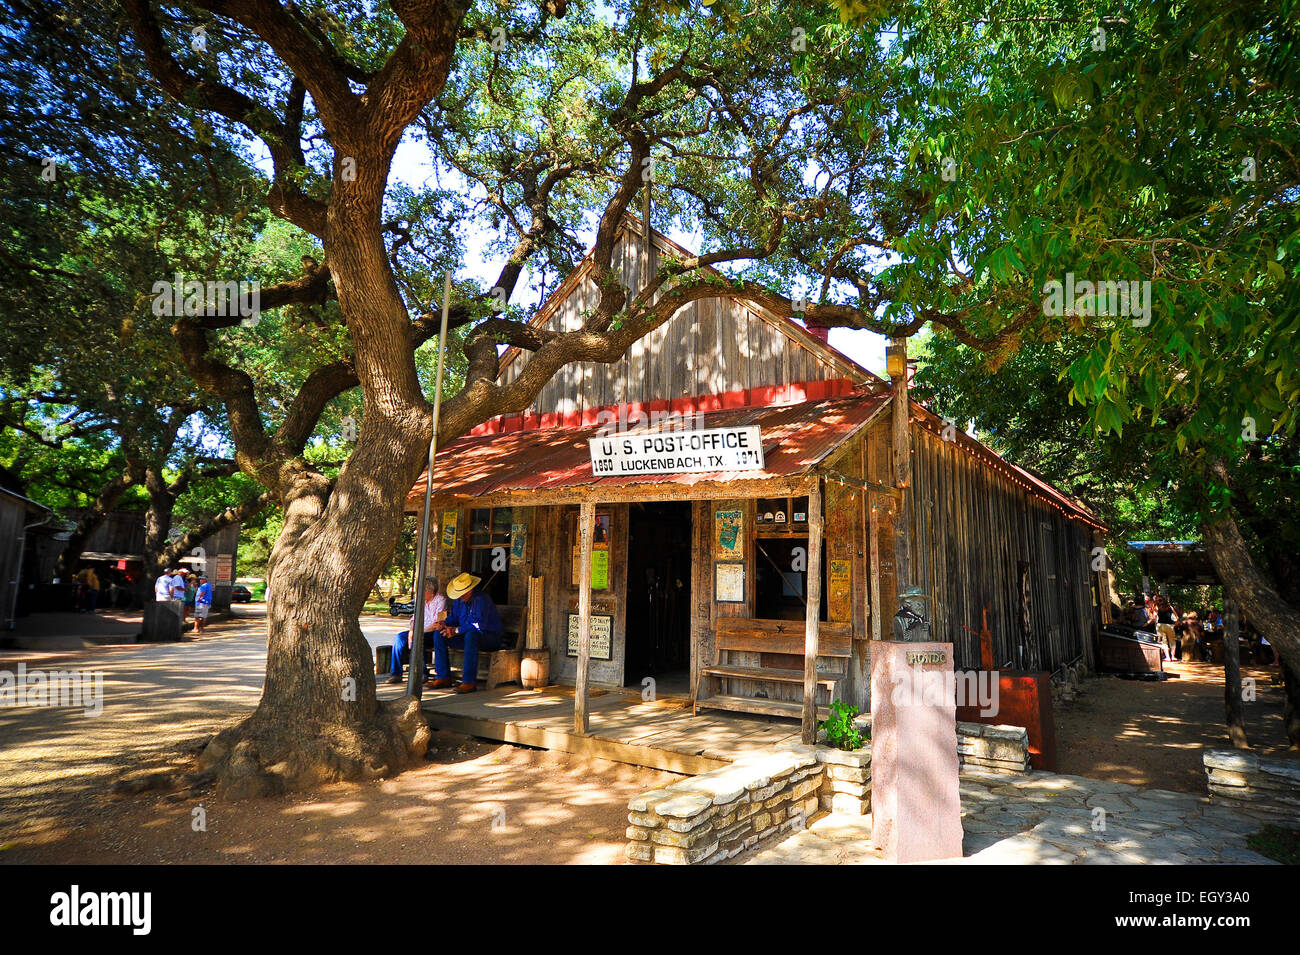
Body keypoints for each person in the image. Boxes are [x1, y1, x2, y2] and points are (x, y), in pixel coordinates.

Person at [430, 572, 503, 693]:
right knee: (439, 634)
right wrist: (444, 624)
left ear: (471, 589)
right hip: (467, 637)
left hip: (489, 638)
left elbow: (478, 625)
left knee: (471, 635)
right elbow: (454, 618)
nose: (461, 596)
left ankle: (469, 682)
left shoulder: (481, 599)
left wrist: (456, 630)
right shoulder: (459, 601)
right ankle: (443, 677)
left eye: (463, 593)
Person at [386, 579, 447, 685]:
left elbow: (437, 624)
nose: (419, 593)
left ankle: (422, 674)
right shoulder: (421, 601)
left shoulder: (441, 600)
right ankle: (396, 673)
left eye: (422, 590)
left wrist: (418, 632)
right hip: (418, 631)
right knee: (399, 638)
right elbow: (413, 619)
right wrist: (411, 630)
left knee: (417, 638)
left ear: (430, 592)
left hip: (431, 633)